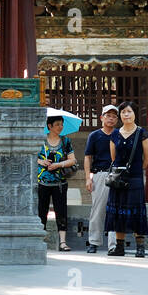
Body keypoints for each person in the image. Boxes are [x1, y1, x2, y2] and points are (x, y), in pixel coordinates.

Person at [105, 101, 148, 257]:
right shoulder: (115, 134)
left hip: (135, 177)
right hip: (118, 177)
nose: (126, 115)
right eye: (123, 112)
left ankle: (140, 247)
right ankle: (119, 247)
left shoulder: (141, 133)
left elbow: (147, 159)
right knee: (119, 210)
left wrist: (136, 170)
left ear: (134, 113)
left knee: (136, 211)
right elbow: (113, 157)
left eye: (129, 111)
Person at [82, 104, 121, 253]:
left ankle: (114, 245)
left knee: (116, 210)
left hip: (117, 174)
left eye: (114, 116)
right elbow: (87, 157)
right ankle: (94, 242)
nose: (111, 119)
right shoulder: (95, 135)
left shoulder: (120, 134)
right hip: (100, 174)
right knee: (97, 209)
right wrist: (88, 178)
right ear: (101, 118)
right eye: (108, 115)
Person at [36, 114, 76, 252]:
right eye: (57, 124)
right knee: (41, 211)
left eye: (61, 124)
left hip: (60, 182)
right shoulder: (40, 141)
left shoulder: (65, 141)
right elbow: (31, 157)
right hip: (42, 182)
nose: (60, 127)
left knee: (61, 211)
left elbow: (72, 160)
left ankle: (63, 242)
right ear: (49, 126)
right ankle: (40, 240)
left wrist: (58, 165)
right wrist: (42, 162)